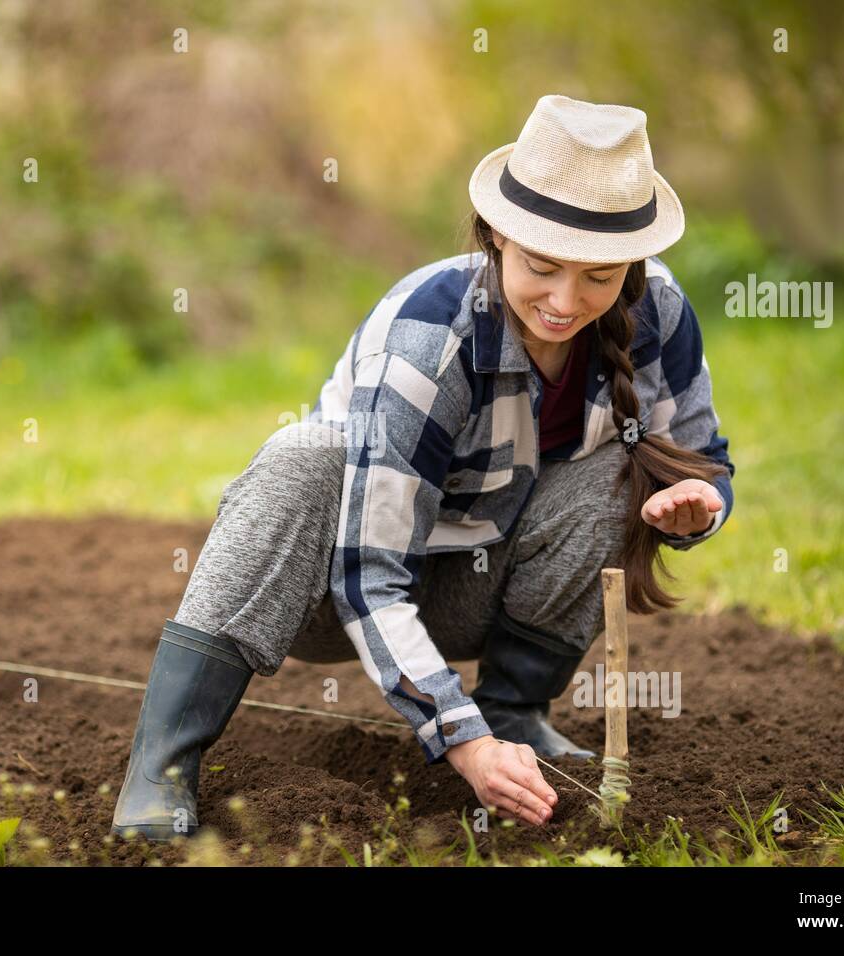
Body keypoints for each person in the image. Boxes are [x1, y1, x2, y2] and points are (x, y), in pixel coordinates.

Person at [112, 94, 735, 841]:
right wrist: (461, 742)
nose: (567, 303)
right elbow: (370, 574)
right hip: (328, 589)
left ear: (630, 264)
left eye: (600, 278)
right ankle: (163, 761)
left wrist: (699, 504)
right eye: (542, 267)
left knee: (615, 472)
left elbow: (700, 460)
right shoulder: (427, 336)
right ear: (497, 237)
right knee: (303, 456)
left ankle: (518, 715)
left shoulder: (660, 313)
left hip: (474, 588)